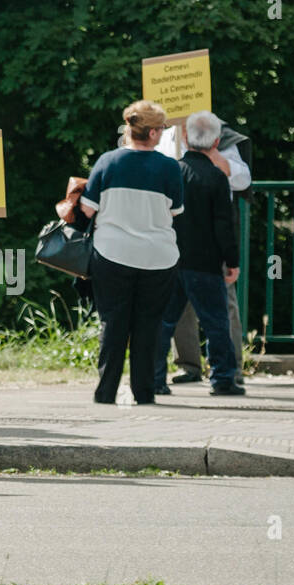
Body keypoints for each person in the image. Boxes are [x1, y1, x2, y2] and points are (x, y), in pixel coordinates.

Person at [80, 100, 183, 405]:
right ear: (152, 132)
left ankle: (106, 391)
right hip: (158, 258)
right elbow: (175, 211)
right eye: (162, 129)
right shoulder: (169, 167)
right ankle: (144, 391)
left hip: (112, 254)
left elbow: (87, 210)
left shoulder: (108, 162)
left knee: (114, 324)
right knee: (148, 325)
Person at [155, 111, 244, 397]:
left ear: (184, 137)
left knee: (163, 321)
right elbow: (224, 225)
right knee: (216, 322)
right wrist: (232, 261)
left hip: (170, 259)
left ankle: (154, 378)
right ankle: (222, 379)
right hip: (205, 263)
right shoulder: (217, 178)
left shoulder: (170, 174)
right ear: (217, 141)